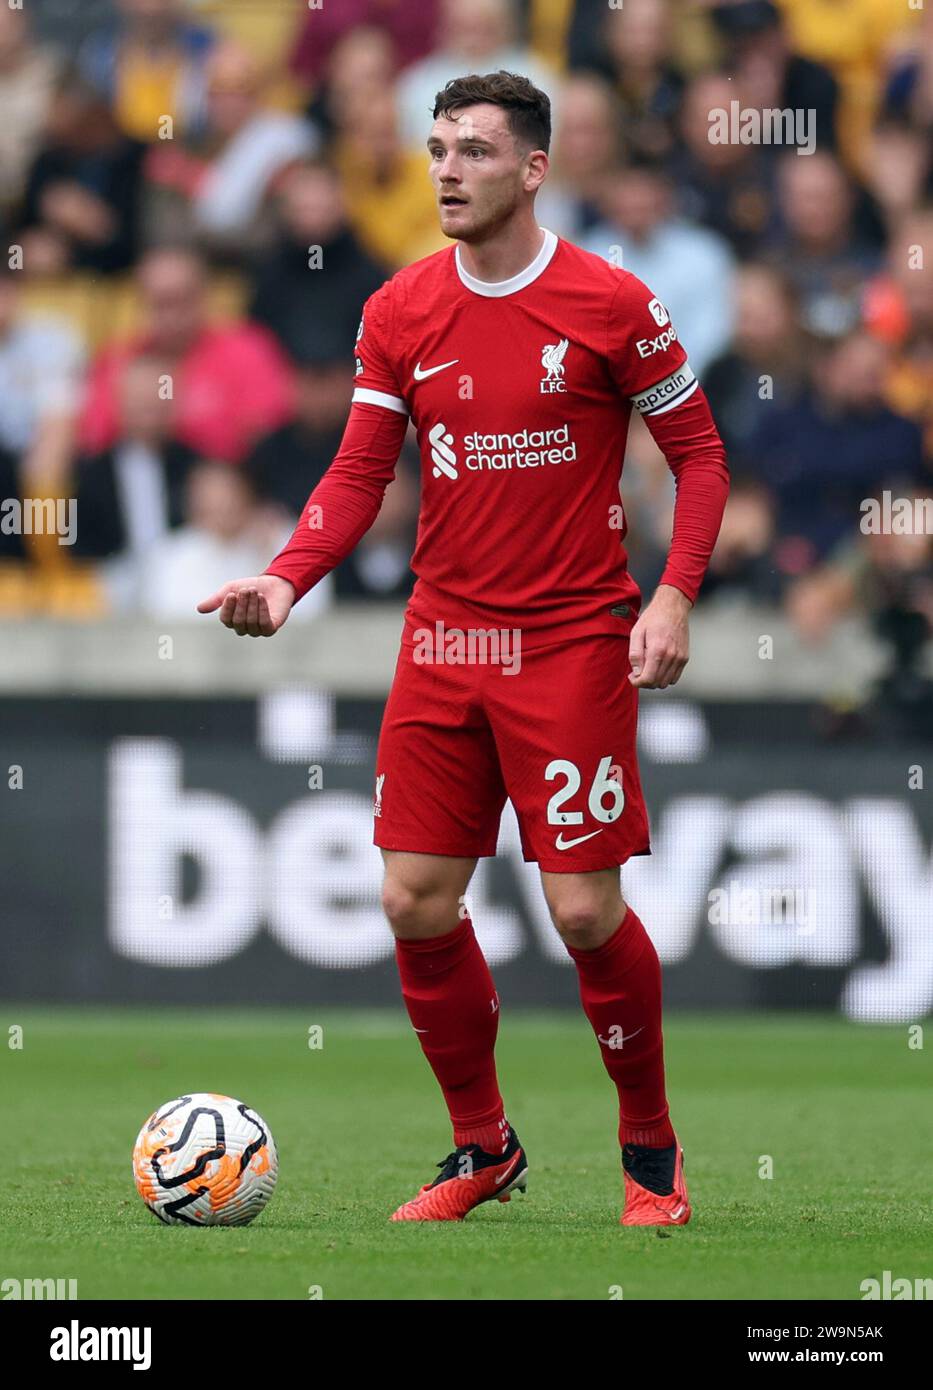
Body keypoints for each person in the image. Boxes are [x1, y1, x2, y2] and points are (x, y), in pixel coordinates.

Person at [198, 71, 730, 1227]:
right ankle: (483, 1146)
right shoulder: (400, 309)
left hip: (572, 640)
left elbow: (700, 456)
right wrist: (286, 576)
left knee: (582, 913)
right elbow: (358, 472)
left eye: (475, 151)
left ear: (533, 170)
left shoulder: (612, 302)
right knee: (411, 898)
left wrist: (674, 596)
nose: (447, 169)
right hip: (442, 639)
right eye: (438, 148)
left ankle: (650, 1147)